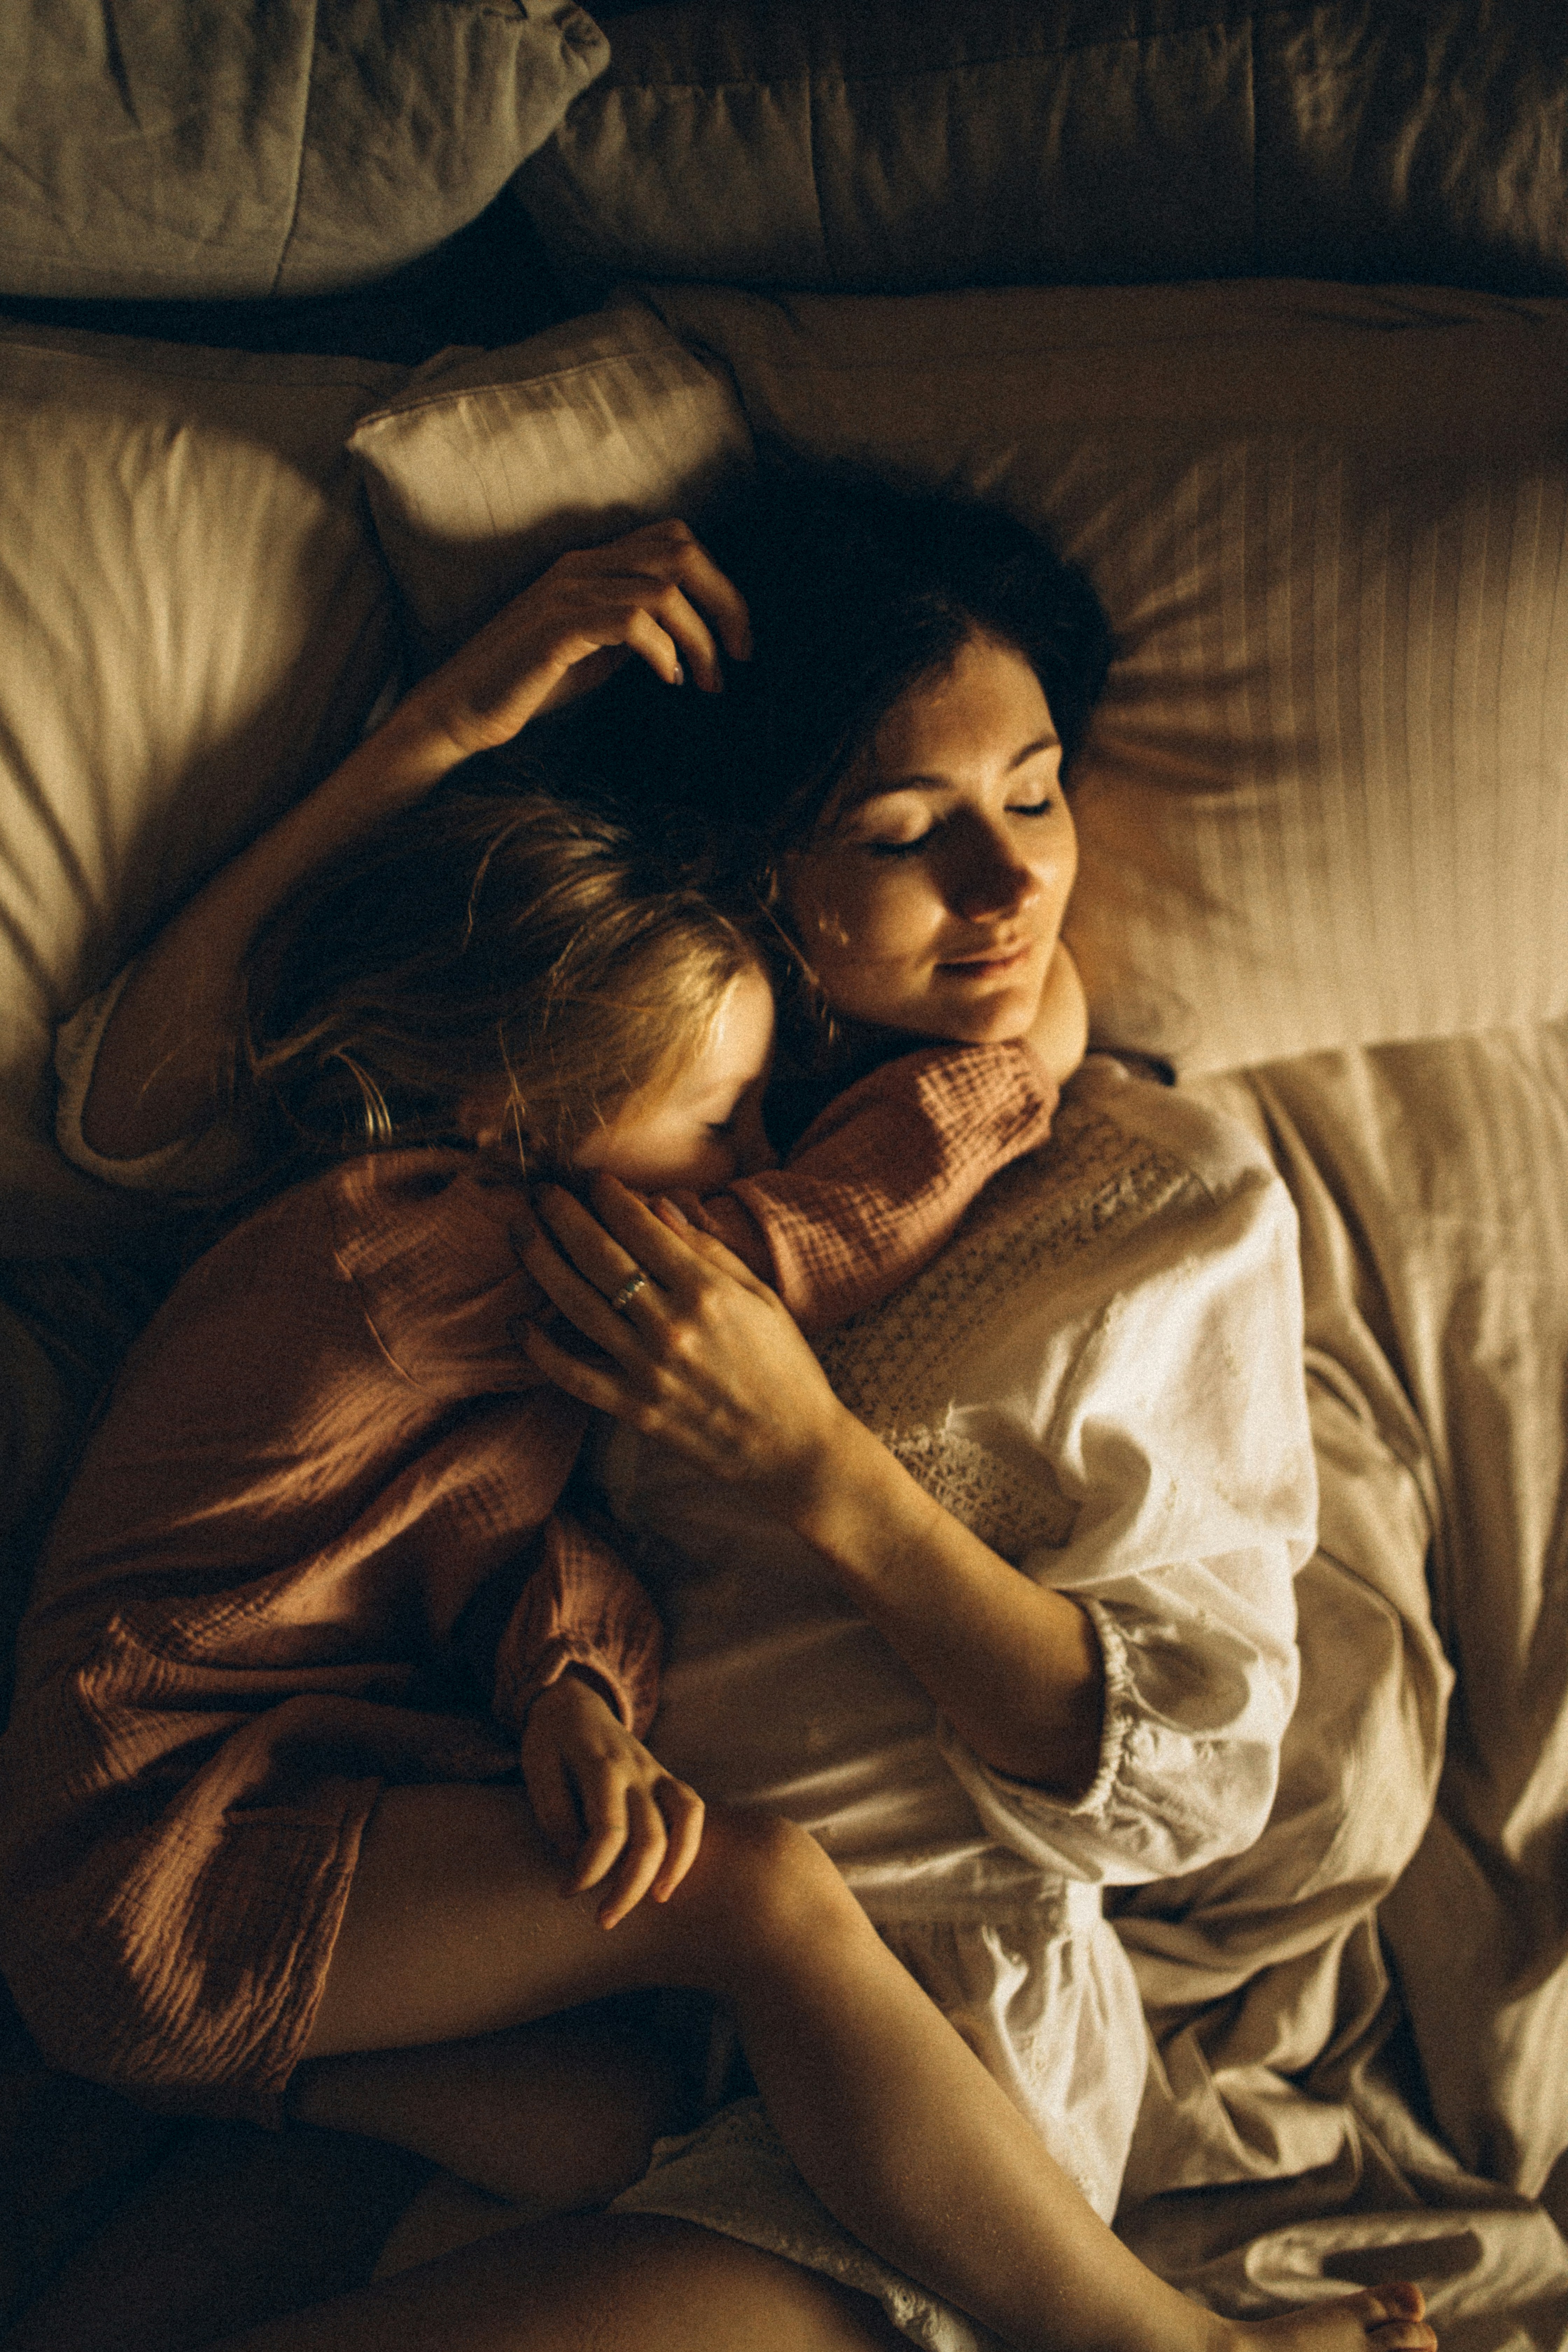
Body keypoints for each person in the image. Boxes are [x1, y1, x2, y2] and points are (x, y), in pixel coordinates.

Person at [15, 499, 1434, 2352]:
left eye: (1038, 795)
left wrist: (813, 1482)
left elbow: (1189, 1784)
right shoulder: (526, 1183)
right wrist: (445, 723)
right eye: (904, 833)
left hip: (886, 2088)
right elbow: (127, 1116)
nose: (1011, 886)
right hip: (508, 1945)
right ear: (756, 871)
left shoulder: (1157, 1199)